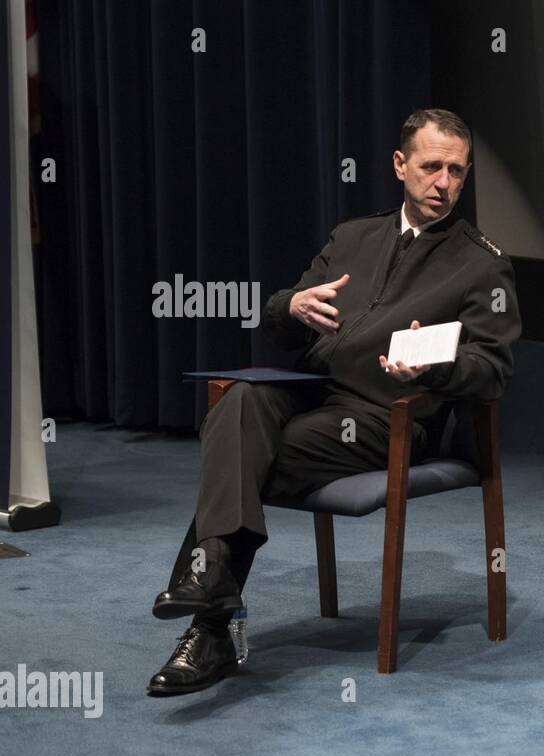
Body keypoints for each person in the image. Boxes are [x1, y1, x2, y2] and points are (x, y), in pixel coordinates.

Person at [147, 108, 520, 695]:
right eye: (430, 167)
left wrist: (439, 365)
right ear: (400, 166)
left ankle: (210, 609)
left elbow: (493, 369)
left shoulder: (482, 265)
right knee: (240, 403)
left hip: (384, 417)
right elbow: (280, 328)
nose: (443, 183)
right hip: (312, 394)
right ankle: (215, 593)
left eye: (456, 170)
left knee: (243, 454)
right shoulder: (353, 236)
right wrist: (290, 307)